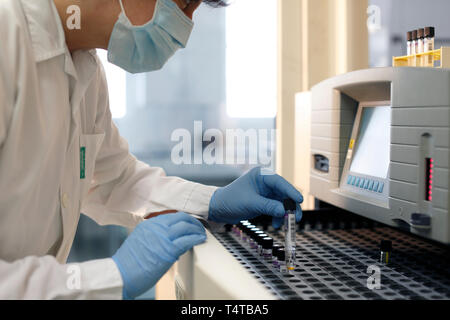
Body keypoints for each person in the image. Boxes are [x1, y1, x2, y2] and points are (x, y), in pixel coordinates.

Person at [0, 0, 303, 299]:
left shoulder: (85, 71)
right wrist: (110, 277)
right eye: (184, 3)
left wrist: (213, 201)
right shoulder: (6, 35)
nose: (186, 29)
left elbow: (114, 179)